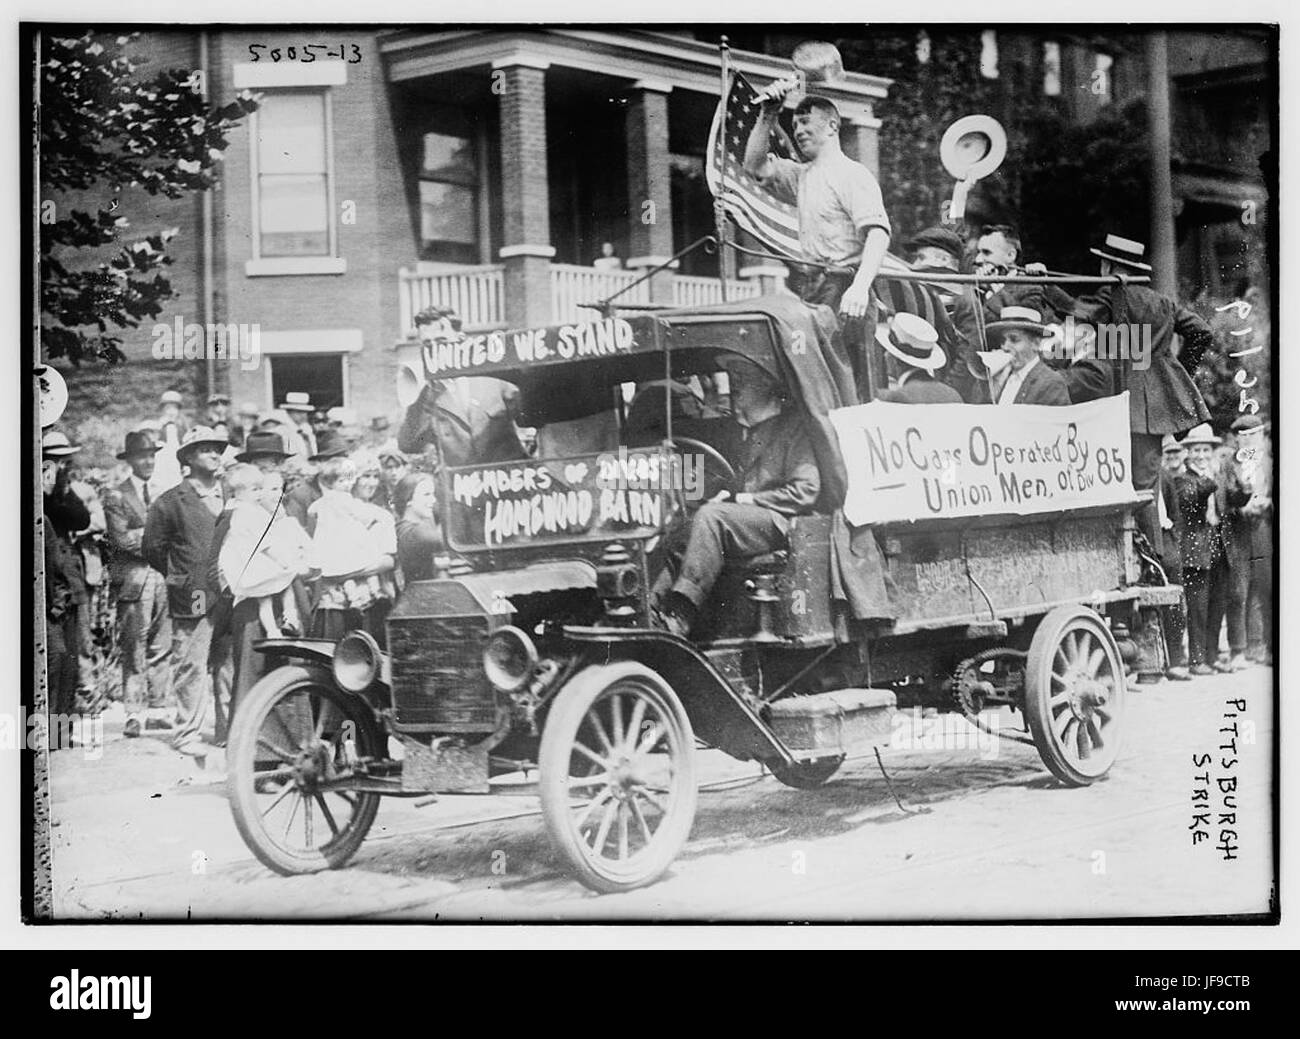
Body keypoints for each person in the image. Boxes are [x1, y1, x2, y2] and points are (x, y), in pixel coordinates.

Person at [652, 359, 820, 638]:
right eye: (733, 376)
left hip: (783, 523)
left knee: (712, 517)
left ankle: (682, 613)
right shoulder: (747, 432)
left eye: (744, 376)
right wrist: (726, 494)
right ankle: (650, 610)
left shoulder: (796, 428)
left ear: (767, 384)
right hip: (750, 523)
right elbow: (739, 483)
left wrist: (745, 500)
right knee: (680, 531)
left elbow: (806, 491)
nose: (735, 383)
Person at [1072, 233, 1214, 558]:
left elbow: (1074, 311)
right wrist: (1175, 370)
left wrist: (1041, 286)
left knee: (1121, 485)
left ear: (1109, 265)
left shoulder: (1110, 296)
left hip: (1119, 403)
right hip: (1152, 413)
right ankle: (1153, 561)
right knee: (1145, 487)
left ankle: (1138, 559)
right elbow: (1202, 332)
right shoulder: (1161, 302)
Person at [744, 88, 892, 322]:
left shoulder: (852, 174)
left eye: (805, 122)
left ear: (832, 126)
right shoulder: (801, 177)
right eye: (794, 126)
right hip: (812, 289)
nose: (799, 132)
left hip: (846, 290)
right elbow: (755, 168)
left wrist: (860, 288)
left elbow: (878, 234)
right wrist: (768, 114)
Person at [142, 426, 227, 754]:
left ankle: (226, 729)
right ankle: (187, 733)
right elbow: (153, 548)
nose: (215, 454)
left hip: (230, 592)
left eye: (217, 449)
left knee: (227, 662)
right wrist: (180, 574)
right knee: (191, 662)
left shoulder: (230, 494)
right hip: (192, 592)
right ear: (188, 457)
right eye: (206, 448)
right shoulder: (169, 502)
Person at [104, 430, 174, 736]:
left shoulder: (163, 492)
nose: (148, 461)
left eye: (151, 455)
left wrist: (146, 532)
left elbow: (172, 531)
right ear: (130, 460)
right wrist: (155, 535)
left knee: (162, 643)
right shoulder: (116, 495)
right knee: (134, 645)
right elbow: (121, 540)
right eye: (142, 456)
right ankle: (133, 712)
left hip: (163, 577)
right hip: (134, 579)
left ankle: (159, 708)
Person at [398, 306, 527, 467]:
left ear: (460, 340)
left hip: (508, 481)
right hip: (461, 486)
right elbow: (408, 444)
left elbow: (529, 416)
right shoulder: (427, 396)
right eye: (427, 344)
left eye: (441, 341)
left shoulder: (493, 379)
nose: (435, 349)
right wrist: (423, 397)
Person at [307, 456, 397, 643]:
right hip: (334, 604)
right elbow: (317, 559)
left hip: (372, 600)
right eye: (366, 476)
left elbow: (388, 561)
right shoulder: (326, 507)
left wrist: (343, 573)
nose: (371, 483)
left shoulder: (382, 516)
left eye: (375, 476)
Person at [218, 464, 311, 639]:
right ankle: (289, 616)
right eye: (255, 490)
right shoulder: (253, 514)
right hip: (259, 561)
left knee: (265, 600)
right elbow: (266, 544)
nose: (259, 494)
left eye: (260, 489)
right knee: (287, 580)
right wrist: (285, 562)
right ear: (239, 492)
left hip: (244, 567)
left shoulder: (233, 510)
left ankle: (272, 631)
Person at [42, 432, 94, 730]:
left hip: (67, 579)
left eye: (63, 460)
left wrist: (62, 488)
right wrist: (50, 484)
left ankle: (62, 729)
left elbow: (82, 519)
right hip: (48, 579)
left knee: (71, 656)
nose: (60, 466)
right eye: (54, 459)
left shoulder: (63, 489)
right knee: (56, 656)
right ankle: (49, 729)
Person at [1174, 424, 1229, 676]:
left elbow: (1232, 499)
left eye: (1206, 450)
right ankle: (1196, 661)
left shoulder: (1214, 476)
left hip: (1218, 547)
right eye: (1196, 450)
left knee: (1217, 604)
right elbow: (1190, 500)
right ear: (1188, 452)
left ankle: (1212, 655)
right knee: (1198, 608)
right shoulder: (1183, 479)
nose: (1202, 455)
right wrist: (1209, 479)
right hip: (1195, 551)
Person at [1231, 414, 1273, 665]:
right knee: (1238, 591)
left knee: (1264, 588)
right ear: (1237, 440)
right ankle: (1238, 649)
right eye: (1243, 437)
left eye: (1253, 436)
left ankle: (1263, 647)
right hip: (1238, 532)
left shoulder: (1270, 462)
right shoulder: (1229, 464)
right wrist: (1240, 509)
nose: (1248, 442)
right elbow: (1224, 498)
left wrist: (1268, 503)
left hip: (1264, 529)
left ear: (1261, 436)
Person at [983, 306, 1071, 406]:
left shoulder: (1051, 382)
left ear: (1036, 344)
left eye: (1014, 339)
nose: (1005, 347)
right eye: (1003, 340)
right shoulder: (1000, 376)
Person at [1156, 435, 1191, 681]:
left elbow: (1175, 514)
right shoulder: (1135, 476)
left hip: (1166, 542)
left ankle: (1176, 660)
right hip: (1143, 543)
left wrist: (1172, 540)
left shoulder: (1164, 477)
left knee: (1175, 604)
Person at [874, 314, 963, 404]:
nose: (885, 355)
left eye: (888, 351)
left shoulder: (893, 398)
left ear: (895, 359)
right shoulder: (953, 395)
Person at [285, 427, 350, 529]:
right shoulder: (300, 496)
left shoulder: (354, 489)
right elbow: (297, 535)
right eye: (333, 461)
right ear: (320, 463)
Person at [394, 472, 445, 583]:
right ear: (408, 499)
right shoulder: (411, 532)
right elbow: (442, 540)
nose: (433, 500)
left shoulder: (407, 528)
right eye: (426, 495)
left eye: (432, 494)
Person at [152, 390, 190, 493]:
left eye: (175, 408)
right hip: (160, 468)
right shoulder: (156, 428)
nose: (171, 412)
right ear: (162, 410)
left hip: (177, 469)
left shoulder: (182, 429)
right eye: (168, 408)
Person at [280, 391, 319, 458]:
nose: (303, 415)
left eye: (305, 412)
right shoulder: (282, 431)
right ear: (289, 412)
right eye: (299, 412)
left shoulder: (307, 431)